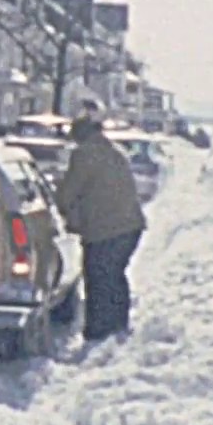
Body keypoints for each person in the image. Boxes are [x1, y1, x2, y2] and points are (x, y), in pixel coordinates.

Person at [55, 103, 148, 341]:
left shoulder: (85, 154)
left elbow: (69, 192)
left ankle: (98, 330)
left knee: (97, 277)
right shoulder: (114, 151)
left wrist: (62, 207)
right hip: (130, 226)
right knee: (115, 275)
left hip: (106, 229)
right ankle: (118, 324)